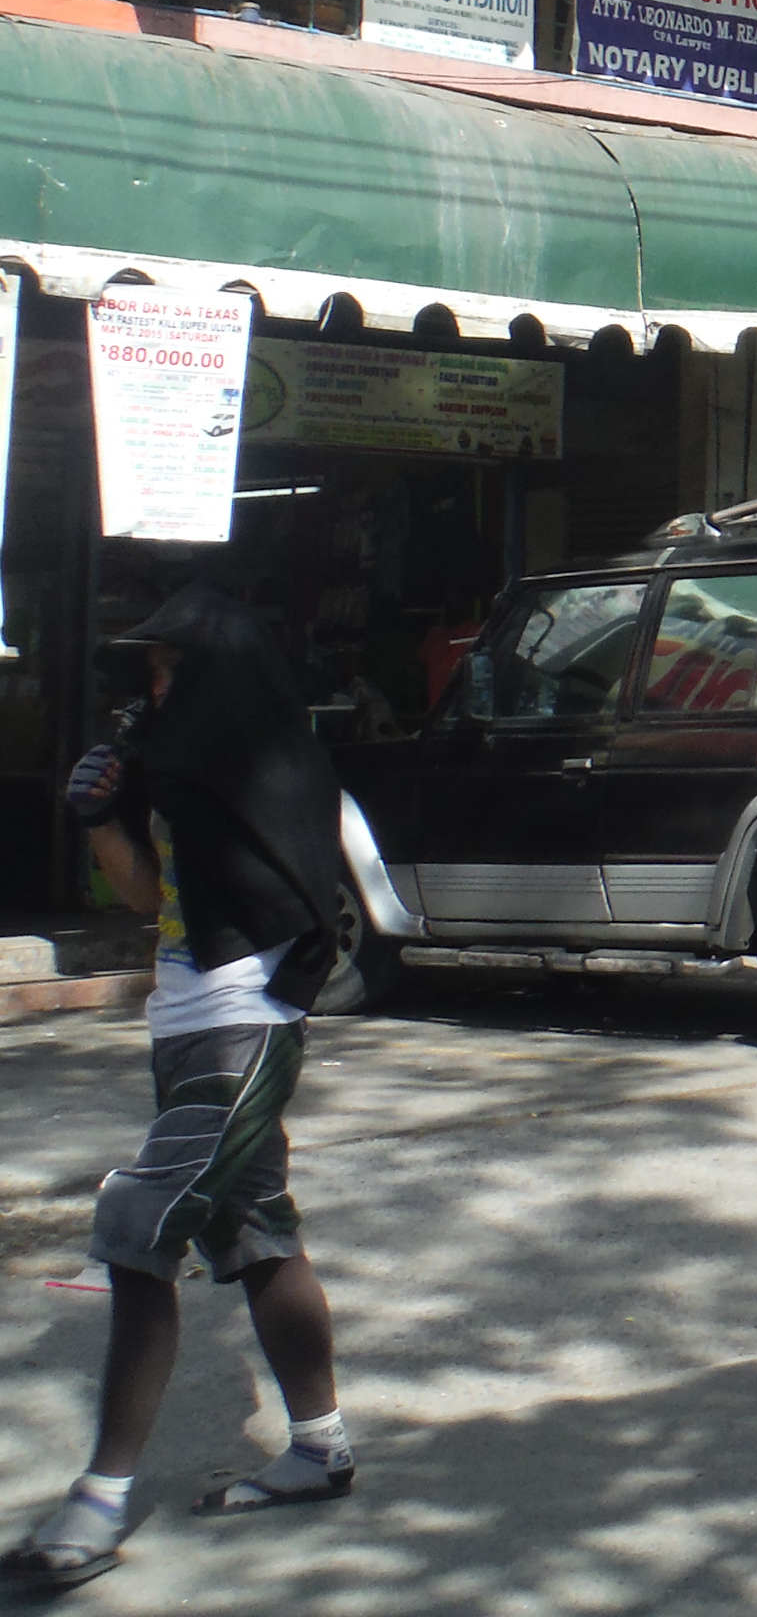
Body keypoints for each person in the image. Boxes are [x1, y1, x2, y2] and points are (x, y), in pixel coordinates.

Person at [6, 590, 355, 1590]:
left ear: (217, 675)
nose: (152, 688)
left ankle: (98, 1503)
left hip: (242, 1033)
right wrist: (104, 818)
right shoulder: (188, 776)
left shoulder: (265, 763)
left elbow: (291, 884)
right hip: (185, 1025)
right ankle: (321, 1447)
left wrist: (142, 769)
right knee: (254, 1238)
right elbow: (141, 895)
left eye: (168, 669)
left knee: (135, 1226)